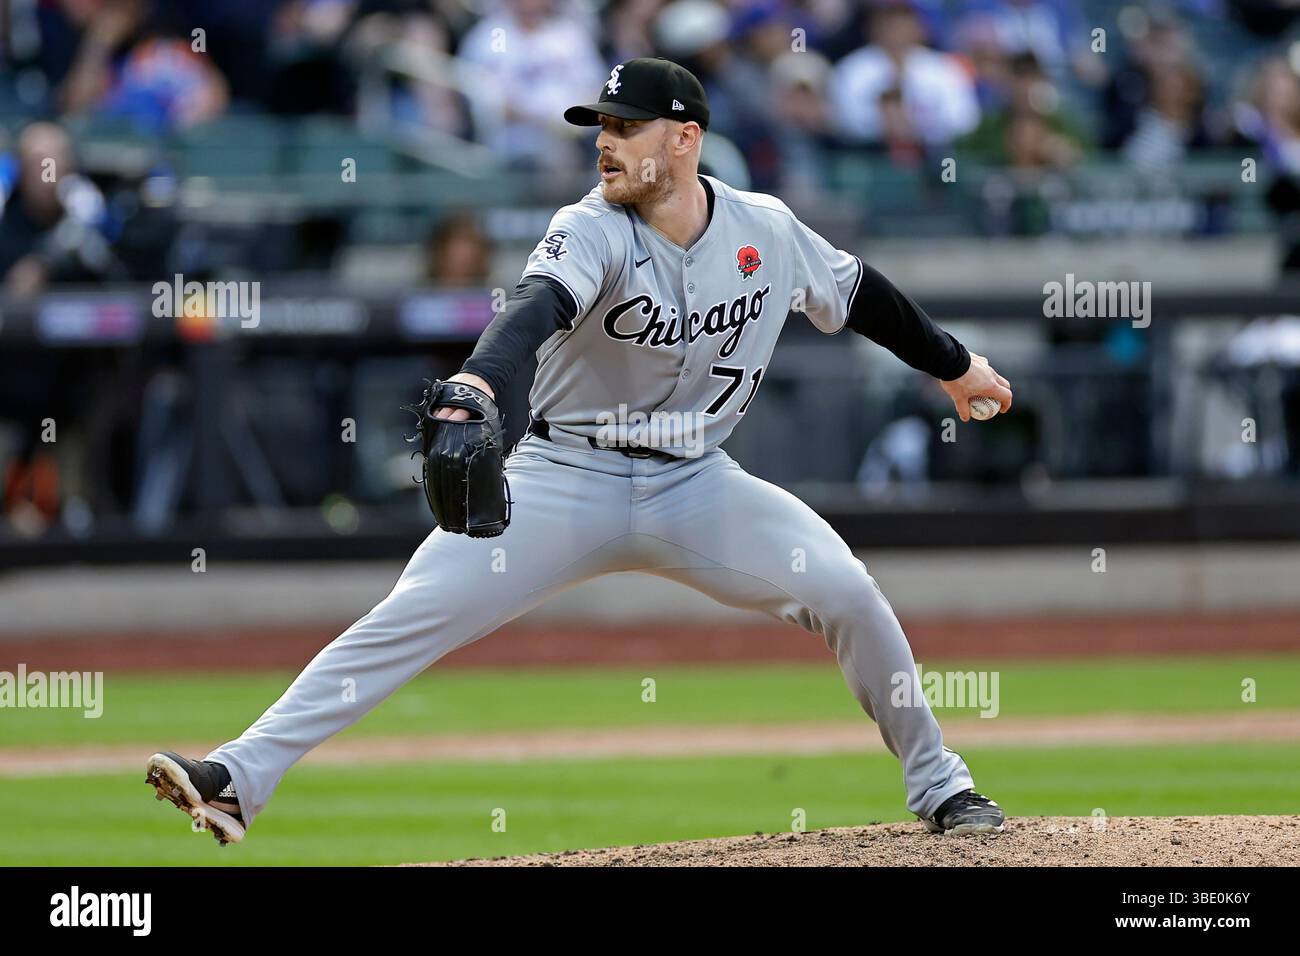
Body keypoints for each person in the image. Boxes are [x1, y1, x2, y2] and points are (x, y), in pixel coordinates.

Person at [146, 57, 1012, 847]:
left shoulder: (766, 229)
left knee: (847, 590)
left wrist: (957, 365)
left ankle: (942, 785)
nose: (604, 141)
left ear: (684, 139)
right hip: (565, 477)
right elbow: (531, 309)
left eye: (624, 126)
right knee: (406, 617)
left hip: (698, 483)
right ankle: (238, 777)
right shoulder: (591, 225)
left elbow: (863, 296)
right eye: (599, 124)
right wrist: (481, 384)